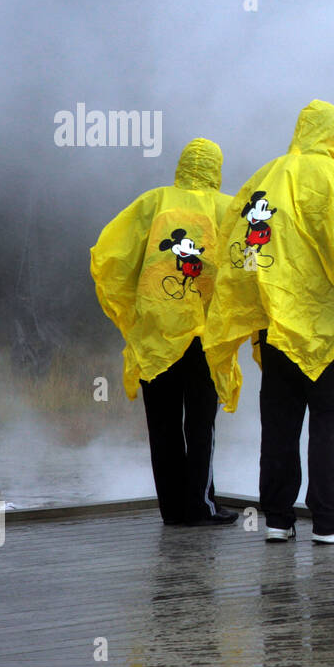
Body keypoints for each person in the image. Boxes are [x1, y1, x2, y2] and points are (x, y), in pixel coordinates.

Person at [204, 100, 334, 544]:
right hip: (327, 329)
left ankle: (277, 519)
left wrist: (254, 310)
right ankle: (329, 520)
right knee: (331, 419)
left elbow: (237, 252)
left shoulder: (262, 179)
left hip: (275, 328)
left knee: (279, 423)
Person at [90, 137, 241, 526]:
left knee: (163, 424)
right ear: (215, 168)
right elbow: (245, 270)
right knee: (200, 423)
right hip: (203, 336)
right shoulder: (227, 209)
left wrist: (132, 310)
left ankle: (173, 511)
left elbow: (111, 256)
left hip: (156, 335)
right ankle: (201, 506)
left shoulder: (152, 203)